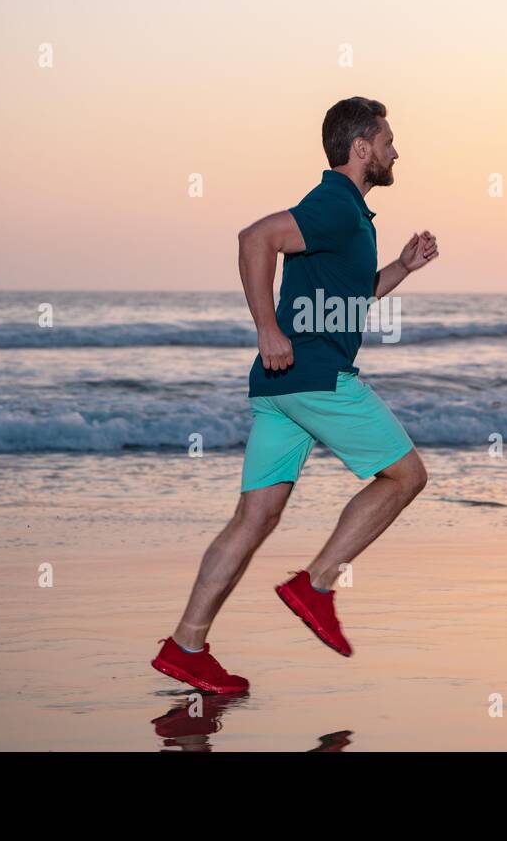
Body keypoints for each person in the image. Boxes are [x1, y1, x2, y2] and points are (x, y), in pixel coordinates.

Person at [151, 96, 439, 693]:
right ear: (360, 148)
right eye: (387, 140)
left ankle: (186, 645)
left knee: (255, 517)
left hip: (281, 387)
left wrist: (403, 268)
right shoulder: (334, 203)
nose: (394, 150)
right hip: (313, 377)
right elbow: (254, 239)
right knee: (406, 477)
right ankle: (317, 584)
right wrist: (267, 327)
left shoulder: (351, 218)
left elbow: (353, 295)